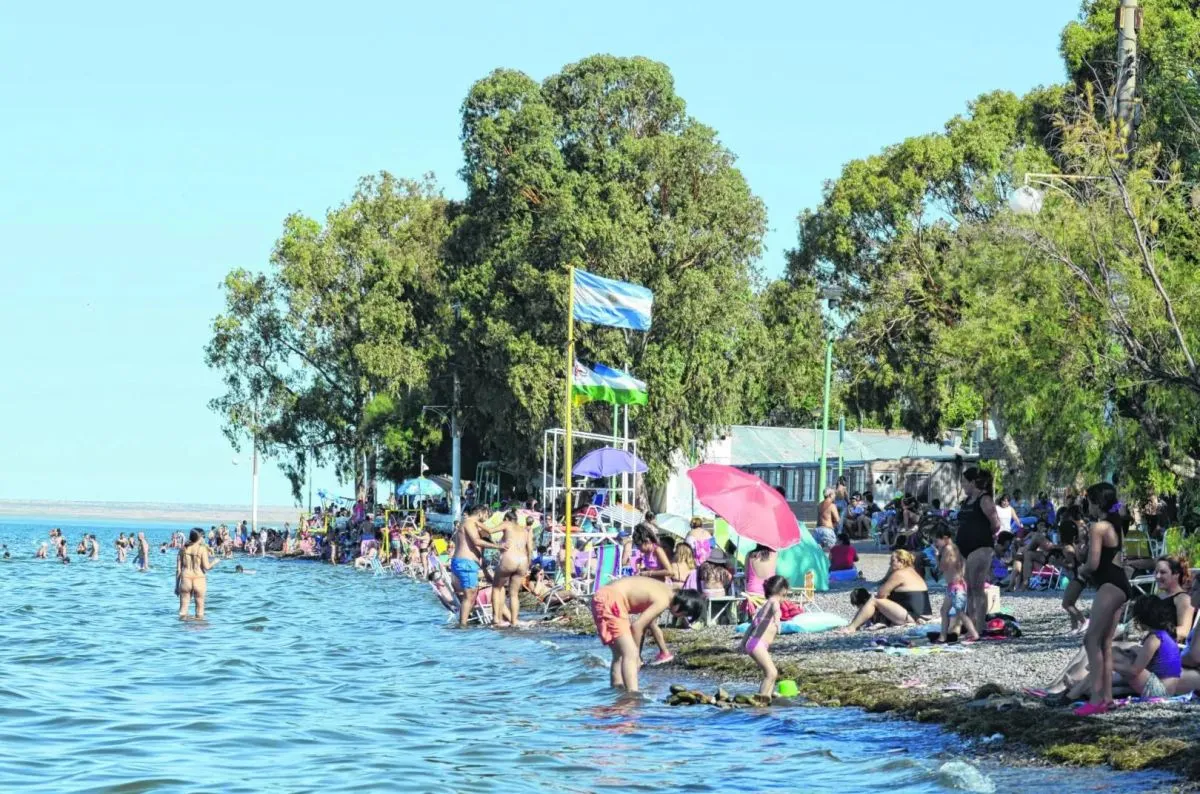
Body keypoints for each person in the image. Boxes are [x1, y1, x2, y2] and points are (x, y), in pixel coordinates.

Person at [1075, 482, 1133, 716]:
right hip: (1120, 583)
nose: (1086, 505)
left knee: (1091, 640)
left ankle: (1097, 697)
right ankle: (1107, 697)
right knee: (1106, 643)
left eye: (1088, 500)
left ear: (1096, 503)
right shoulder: (1115, 523)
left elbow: (1093, 564)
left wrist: (1081, 571)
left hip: (1109, 585)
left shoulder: (1098, 526)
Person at [591, 577, 704, 693]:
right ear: (684, 604)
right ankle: (632, 696)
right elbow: (637, 626)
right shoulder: (664, 600)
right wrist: (637, 656)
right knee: (630, 654)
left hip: (603, 595)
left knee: (619, 655)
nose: (681, 616)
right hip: (612, 600)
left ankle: (616, 693)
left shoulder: (665, 589)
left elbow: (646, 625)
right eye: (684, 613)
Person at [956, 467, 1002, 634]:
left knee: (977, 587)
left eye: (964, 482)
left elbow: (996, 524)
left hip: (981, 546)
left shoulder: (985, 499)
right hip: (964, 548)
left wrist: (981, 533)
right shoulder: (966, 501)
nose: (962, 486)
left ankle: (980, 626)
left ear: (973, 482)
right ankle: (971, 625)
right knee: (968, 587)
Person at [839, 549, 931, 632]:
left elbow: (881, 594)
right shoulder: (913, 572)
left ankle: (852, 627)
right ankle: (860, 623)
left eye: (892, 561)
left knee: (874, 600)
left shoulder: (899, 574)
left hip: (913, 617)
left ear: (901, 561)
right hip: (925, 615)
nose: (890, 564)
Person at [1113, 595, 1181, 699]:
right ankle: (1084, 690)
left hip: (1161, 691)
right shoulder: (1164, 634)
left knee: (1115, 655)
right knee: (1117, 654)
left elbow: (1134, 671)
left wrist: (1109, 665)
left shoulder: (1155, 638)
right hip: (1164, 688)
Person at [449, 505, 503, 628]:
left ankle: (464, 623)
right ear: (481, 513)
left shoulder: (470, 523)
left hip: (465, 562)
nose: (487, 518)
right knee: (470, 594)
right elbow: (476, 541)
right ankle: (462, 625)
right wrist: (498, 547)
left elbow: (487, 533)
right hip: (466, 563)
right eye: (486, 515)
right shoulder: (470, 523)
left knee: (471, 594)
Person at [740, 575, 788, 697]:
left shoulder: (764, 607)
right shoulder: (773, 601)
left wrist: (742, 643)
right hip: (757, 644)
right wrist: (778, 620)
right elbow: (777, 609)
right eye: (786, 594)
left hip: (754, 643)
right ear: (782, 590)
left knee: (772, 673)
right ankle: (761, 700)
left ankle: (767, 696)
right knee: (771, 673)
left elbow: (751, 627)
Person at [934, 526, 979, 642]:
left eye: (936, 540)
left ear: (944, 538)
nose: (935, 543)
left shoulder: (948, 549)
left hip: (956, 587)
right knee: (944, 610)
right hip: (954, 586)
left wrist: (937, 555)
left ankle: (974, 633)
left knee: (960, 612)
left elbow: (942, 567)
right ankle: (942, 636)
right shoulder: (955, 548)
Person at [493, 509, 533, 627]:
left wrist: (476, 523)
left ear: (507, 519)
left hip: (509, 559)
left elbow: (490, 530)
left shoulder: (507, 524)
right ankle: (514, 621)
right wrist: (529, 563)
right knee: (514, 594)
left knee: (496, 588)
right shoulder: (526, 530)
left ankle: (496, 619)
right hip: (523, 561)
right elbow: (530, 548)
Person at [176, 528, 219, 619]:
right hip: (199, 579)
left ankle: (181, 631)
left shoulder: (183, 549)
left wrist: (176, 586)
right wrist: (215, 562)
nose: (204, 539)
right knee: (200, 610)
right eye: (203, 536)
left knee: (183, 610)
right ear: (199, 537)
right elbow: (206, 567)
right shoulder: (202, 549)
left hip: (185, 579)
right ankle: (198, 630)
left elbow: (178, 570)